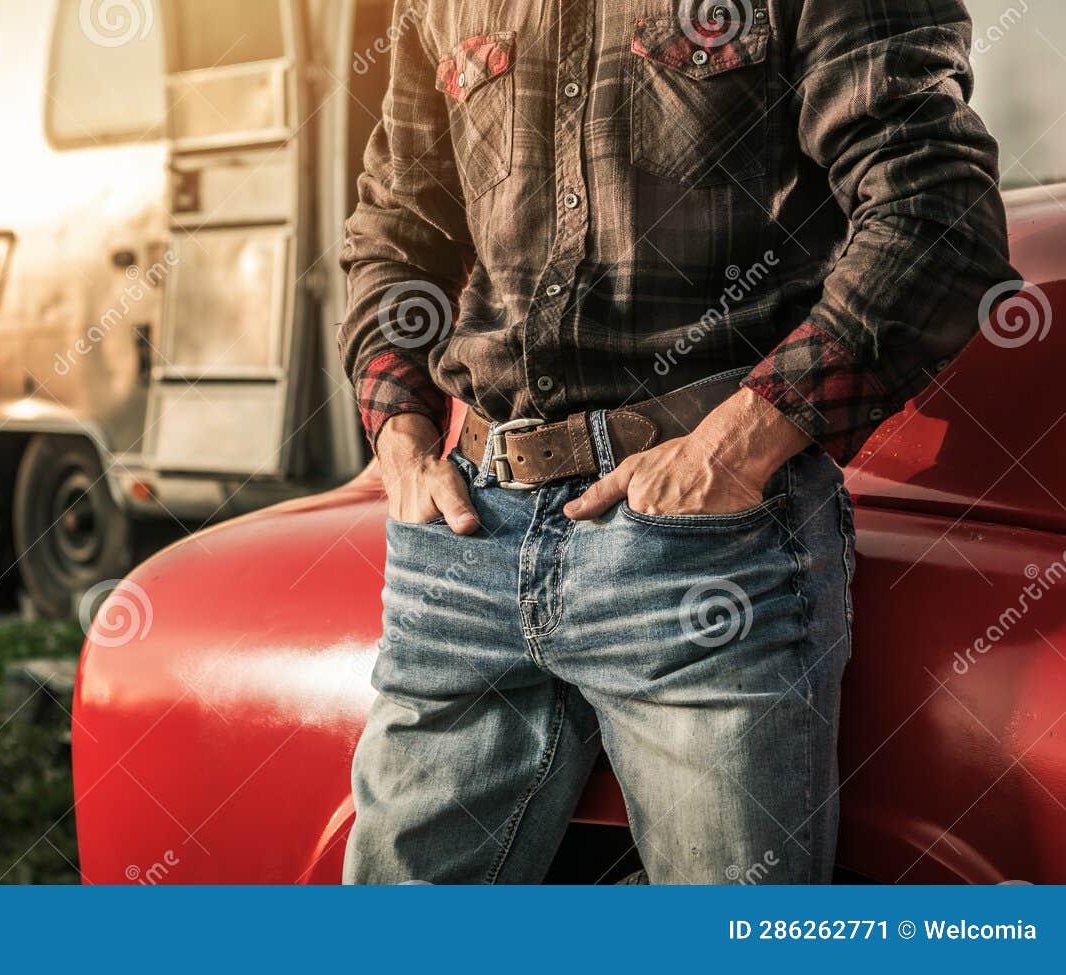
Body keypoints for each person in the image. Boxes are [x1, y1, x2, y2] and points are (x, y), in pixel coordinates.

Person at [339, 0, 1016, 884]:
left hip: (701, 546)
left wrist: (735, 446)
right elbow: (397, 223)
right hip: (467, 537)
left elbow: (938, 210)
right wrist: (400, 433)